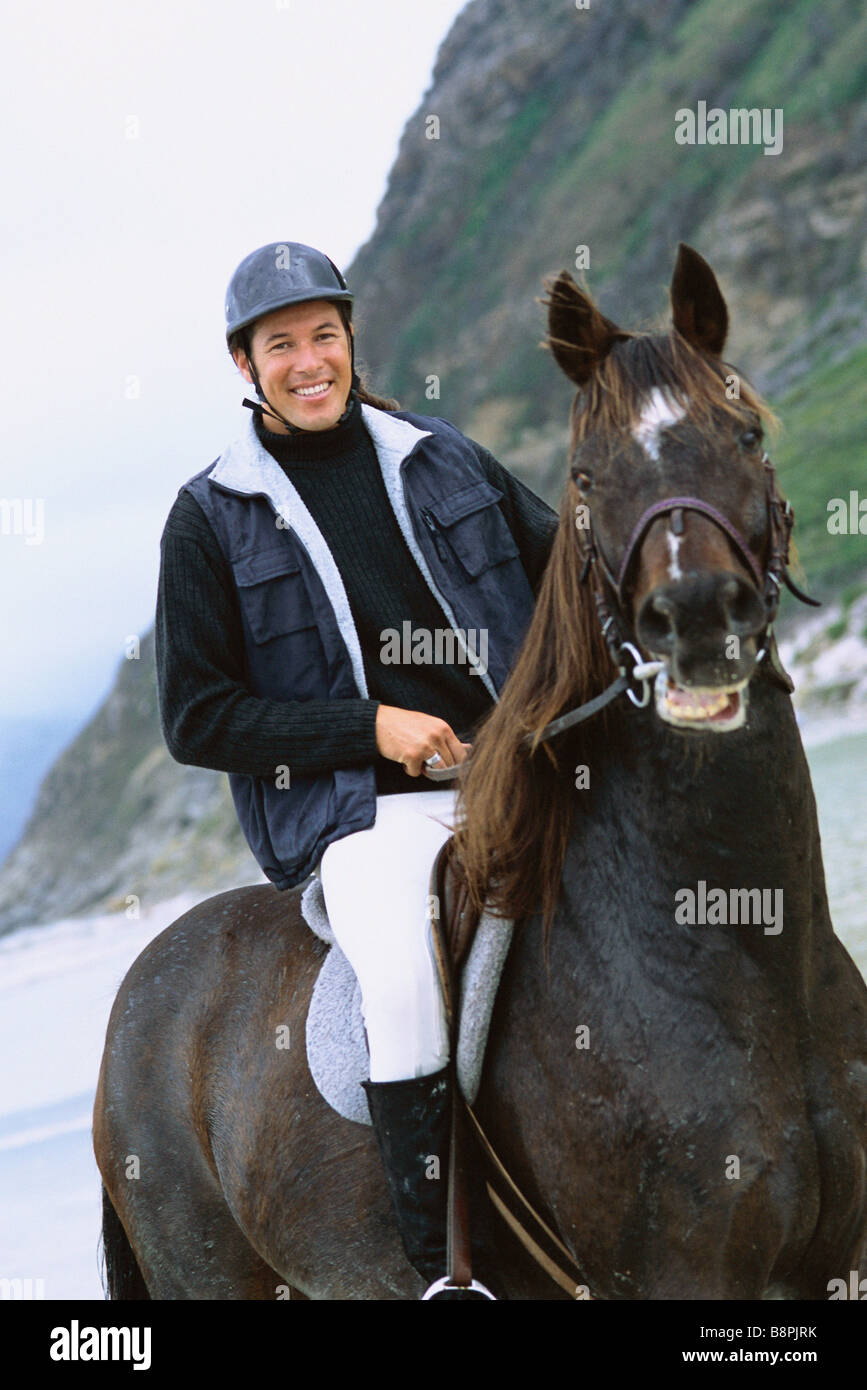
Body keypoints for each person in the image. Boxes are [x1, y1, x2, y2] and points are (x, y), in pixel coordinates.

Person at [155, 240, 557, 1294]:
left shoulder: (442, 456)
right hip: (364, 816)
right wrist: (369, 727)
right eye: (280, 344)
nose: (309, 360)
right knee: (400, 977)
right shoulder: (209, 518)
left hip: (519, 775)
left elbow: (566, 568)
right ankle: (447, 1273)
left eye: (323, 335)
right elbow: (197, 718)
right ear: (245, 363)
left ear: (350, 339)